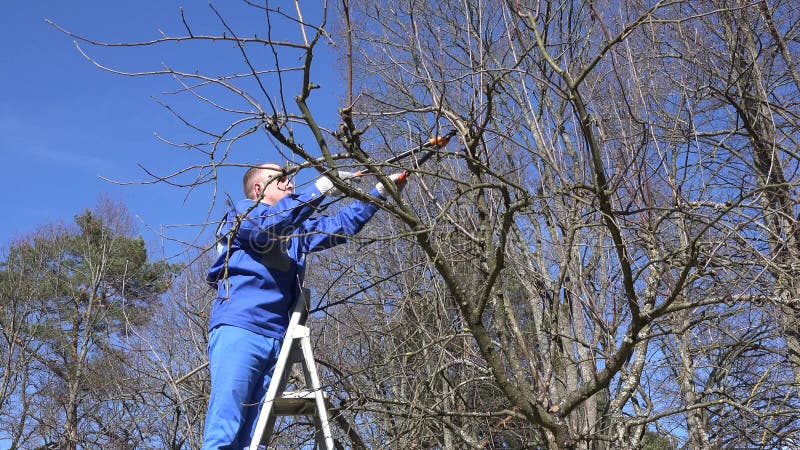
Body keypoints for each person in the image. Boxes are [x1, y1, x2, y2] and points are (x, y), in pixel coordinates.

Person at [202, 163, 406, 450]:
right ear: (259, 189)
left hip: (277, 339)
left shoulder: (294, 230)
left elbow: (339, 226)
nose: (290, 185)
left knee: (255, 439)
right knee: (225, 428)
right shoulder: (242, 215)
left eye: (291, 180)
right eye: (282, 180)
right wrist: (323, 186)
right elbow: (270, 225)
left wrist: (379, 192)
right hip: (240, 329)